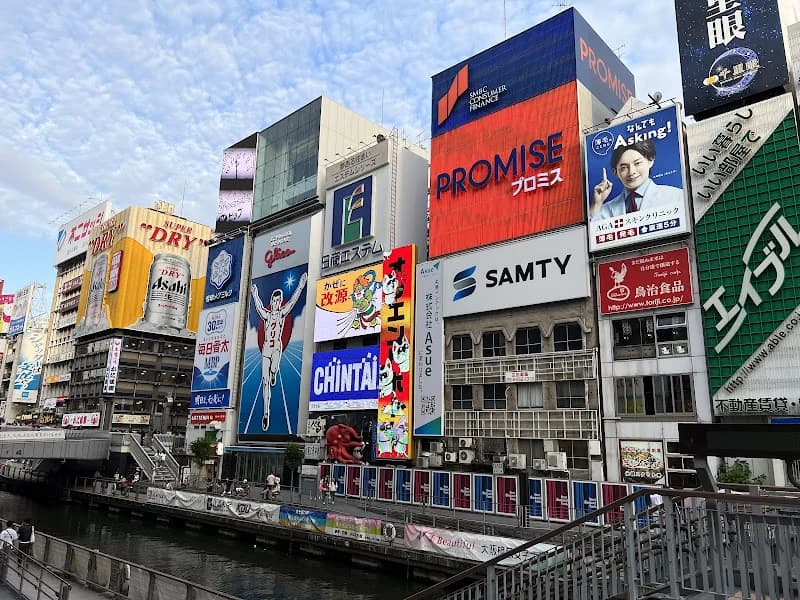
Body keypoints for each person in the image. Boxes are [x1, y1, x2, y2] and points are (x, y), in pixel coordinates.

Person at [251, 273, 308, 431]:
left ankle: (274, 373)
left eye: (278, 300)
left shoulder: (282, 313)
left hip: (277, 347)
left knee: (274, 369)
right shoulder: (267, 315)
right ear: (271, 302)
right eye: (274, 301)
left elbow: (293, 301)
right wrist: (255, 294)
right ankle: (266, 413)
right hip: (266, 348)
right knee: (265, 380)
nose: (276, 303)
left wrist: (301, 285)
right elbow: (259, 307)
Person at [589, 139, 684, 220]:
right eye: (624, 168)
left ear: (650, 161)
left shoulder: (677, 196)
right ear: (615, 172)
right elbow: (591, 234)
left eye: (637, 163)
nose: (631, 172)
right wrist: (597, 203)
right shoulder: (606, 209)